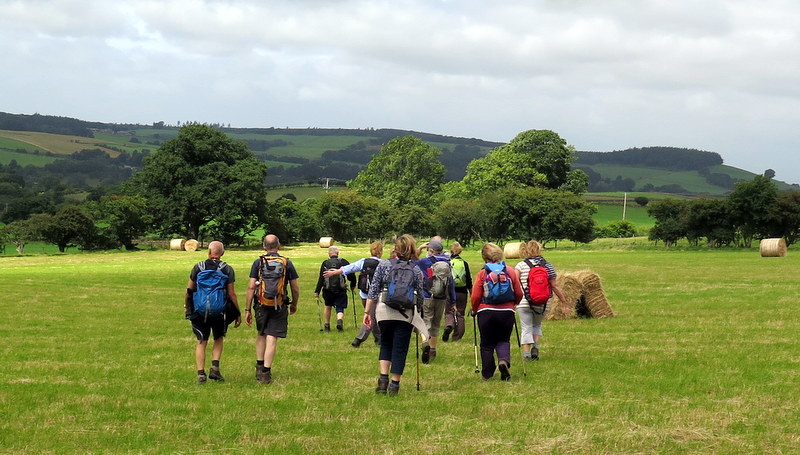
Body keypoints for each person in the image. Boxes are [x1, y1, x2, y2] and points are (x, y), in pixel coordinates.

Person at [363, 234, 428, 396]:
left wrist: (367, 312)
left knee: (386, 343)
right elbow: (420, 295)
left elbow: (373, 290)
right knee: (400, 348)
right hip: (405, 314)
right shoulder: (415, 269)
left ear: (396, 249)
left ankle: (382, 381)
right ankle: (394, 385)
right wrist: (418, 313)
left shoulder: (384, 264)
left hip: (384, 311)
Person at [245, 234, 300, 385]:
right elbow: (295, 288)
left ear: (264, 247)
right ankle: (265, 372)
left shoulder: (258, 262)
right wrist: (294, 304)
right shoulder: (286, 262)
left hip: (261, 303)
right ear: (279, 245)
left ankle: (259, 365)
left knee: (261, 333)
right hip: (279, 303)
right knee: (272, 337)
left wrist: (247, 309)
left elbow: (251, 287)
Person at [184, 241, 241, 384]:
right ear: (222, 253)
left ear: (209, 252)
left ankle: (201, 374)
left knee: (202, 341)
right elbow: (231, 293)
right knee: (218, 338)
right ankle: (215, 368)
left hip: (200, 310)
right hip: (219, 310)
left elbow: (189, 290)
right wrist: (237, 313)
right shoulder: (227, 269)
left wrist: (187, 307)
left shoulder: (198, 267)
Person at [470, 242, 523, 381]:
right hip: (506, 312)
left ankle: (487, 375)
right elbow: (519, 292)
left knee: (487, 344)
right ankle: (503, 361)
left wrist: (474, 309)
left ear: (484, 257)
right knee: (503, 340)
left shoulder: (482, 273)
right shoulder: (510, 271)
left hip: (486, 311)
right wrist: (514, 304)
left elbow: (475, 295)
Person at [514, 240, 569, 360]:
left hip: (524, 302)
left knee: (526, 327)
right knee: (537, 325)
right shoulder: (548, 266)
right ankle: (535, 347)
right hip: (542, 302)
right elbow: (554, 285)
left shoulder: (520, 265)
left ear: (525, 250)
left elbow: (514, 283)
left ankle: (526, 354)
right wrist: (564, 301)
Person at [323, 241, 384, 347]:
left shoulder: (364, 261)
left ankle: (379, 340)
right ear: (380, 252)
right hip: (377, 295)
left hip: (364, 295)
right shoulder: (383, 263)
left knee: (373, 316)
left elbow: (348, 268)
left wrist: (333, 272)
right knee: (371, 317)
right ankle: (358, 340)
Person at [416, 238, 456, 363]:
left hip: (427, 296)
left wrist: (420, 248)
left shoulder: (425, 261)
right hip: (442, 298)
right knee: (436, 324)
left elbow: (411, 261)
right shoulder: (448, 263)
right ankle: (433, 349)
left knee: (426, 321)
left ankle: (424, 342)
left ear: (431, 251)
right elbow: (451, 283)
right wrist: (453, 301)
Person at [314, 246, 356, 332]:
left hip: (327, 289)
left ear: (329, 253)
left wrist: (317, 291)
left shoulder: (325, 263)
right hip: (340, 289)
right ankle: (339, 320)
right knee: (340, 306)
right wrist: (353, 284)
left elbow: (321, 278)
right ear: (338, 253)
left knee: (328, 306)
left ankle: (327, 325)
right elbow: (351, 274)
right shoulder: (343, 261)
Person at [443, 241, 472, 342]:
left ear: (451, 250)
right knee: (460, 313)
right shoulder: (464, 263)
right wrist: (471, 293)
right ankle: (457, 336)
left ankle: (449, 325)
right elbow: (468, 280)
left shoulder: (448, 263)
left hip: (450, 292)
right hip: (462, 292)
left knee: (449, 312)